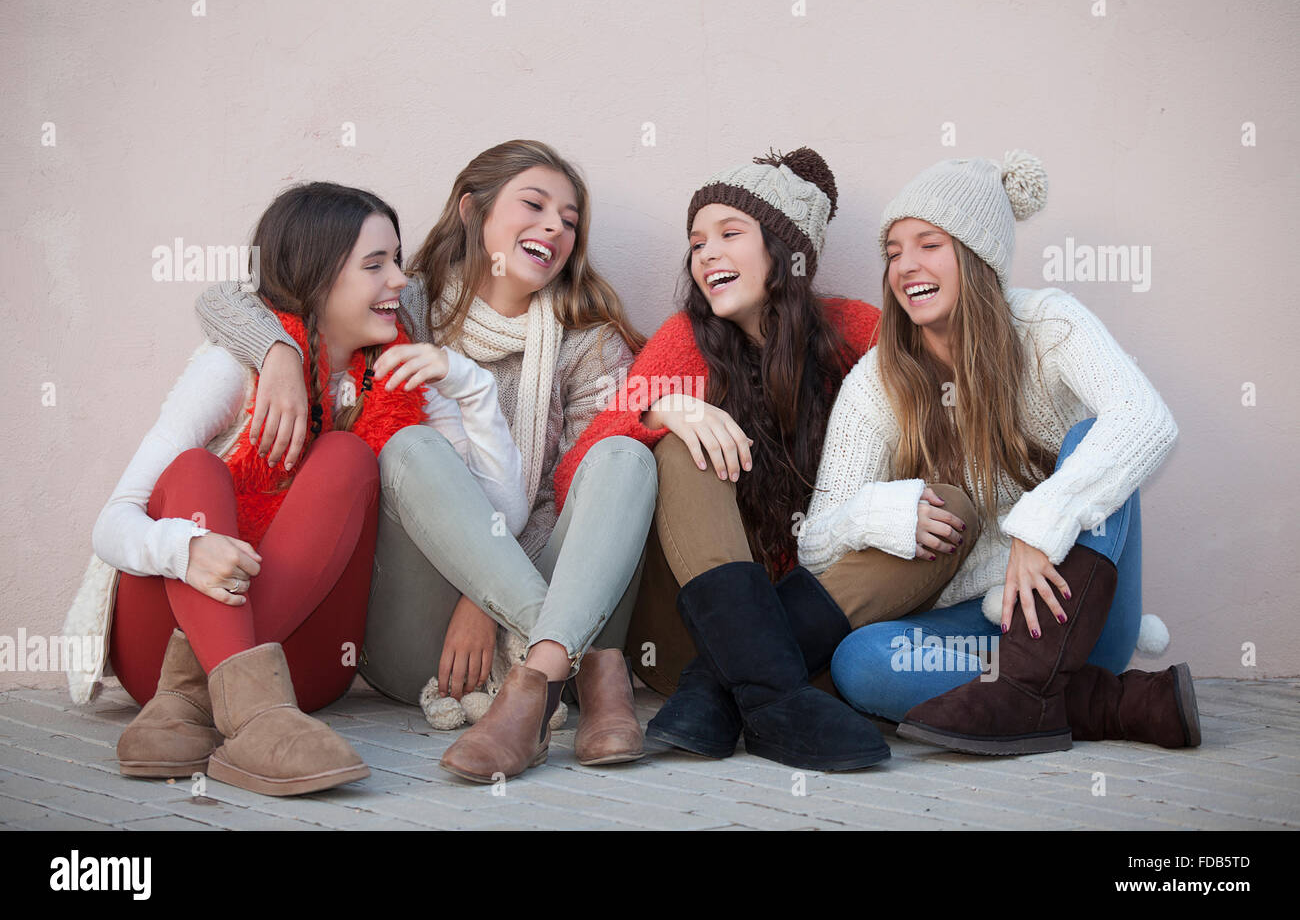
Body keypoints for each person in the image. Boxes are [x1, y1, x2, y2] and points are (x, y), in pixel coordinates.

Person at [192, 141, 655, 782]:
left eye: (570, 219)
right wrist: (276, 351)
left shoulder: (590, 344)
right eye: (535, 204)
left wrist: (485, 594)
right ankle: (598, 670)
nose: (556, 226)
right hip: (420, 638)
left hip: (546, 597)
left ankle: (540, 680)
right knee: (410, 445)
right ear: (472, 211)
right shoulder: (411, 304)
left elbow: (566, 485)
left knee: (624, 455)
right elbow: (234, 296)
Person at [70, 181, 528, 796]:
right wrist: (184, 549)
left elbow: (498, 520)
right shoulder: (232, 365)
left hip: (305, 662)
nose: (399, 279)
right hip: (158, 645)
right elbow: (113, 522)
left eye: (396, 258)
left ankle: (215, 706)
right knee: (194, 473)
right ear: (315, 278)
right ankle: (235, 712)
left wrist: (473, 389)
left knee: (346, 457)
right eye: (375, 265)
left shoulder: (406, 369)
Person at [559, 148, 963, 772]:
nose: (706, 255)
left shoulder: (859, 333)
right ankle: (767, 694)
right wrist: (662, 410)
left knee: (952, 507)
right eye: (696, 243)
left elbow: (954, 418)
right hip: (679, 637)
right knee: (683, 448)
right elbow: (580, 476)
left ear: (784, 249)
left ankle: (730, 691)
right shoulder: (684, 341)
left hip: (816, 646)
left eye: (729, 234)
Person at [798, 151, 1200, 755]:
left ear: (977, 254)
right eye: (893, 251)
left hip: (1079, 609)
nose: (906, 266)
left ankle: (1033, 690)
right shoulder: (877, 383)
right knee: (860, 664)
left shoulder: (1050, 325)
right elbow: (816, 541)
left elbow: (1146, 420)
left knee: (1094, 438)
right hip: (980, 624)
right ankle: (1107, 701)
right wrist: (877, 513)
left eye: (928, 244)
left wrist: (1042, 526)